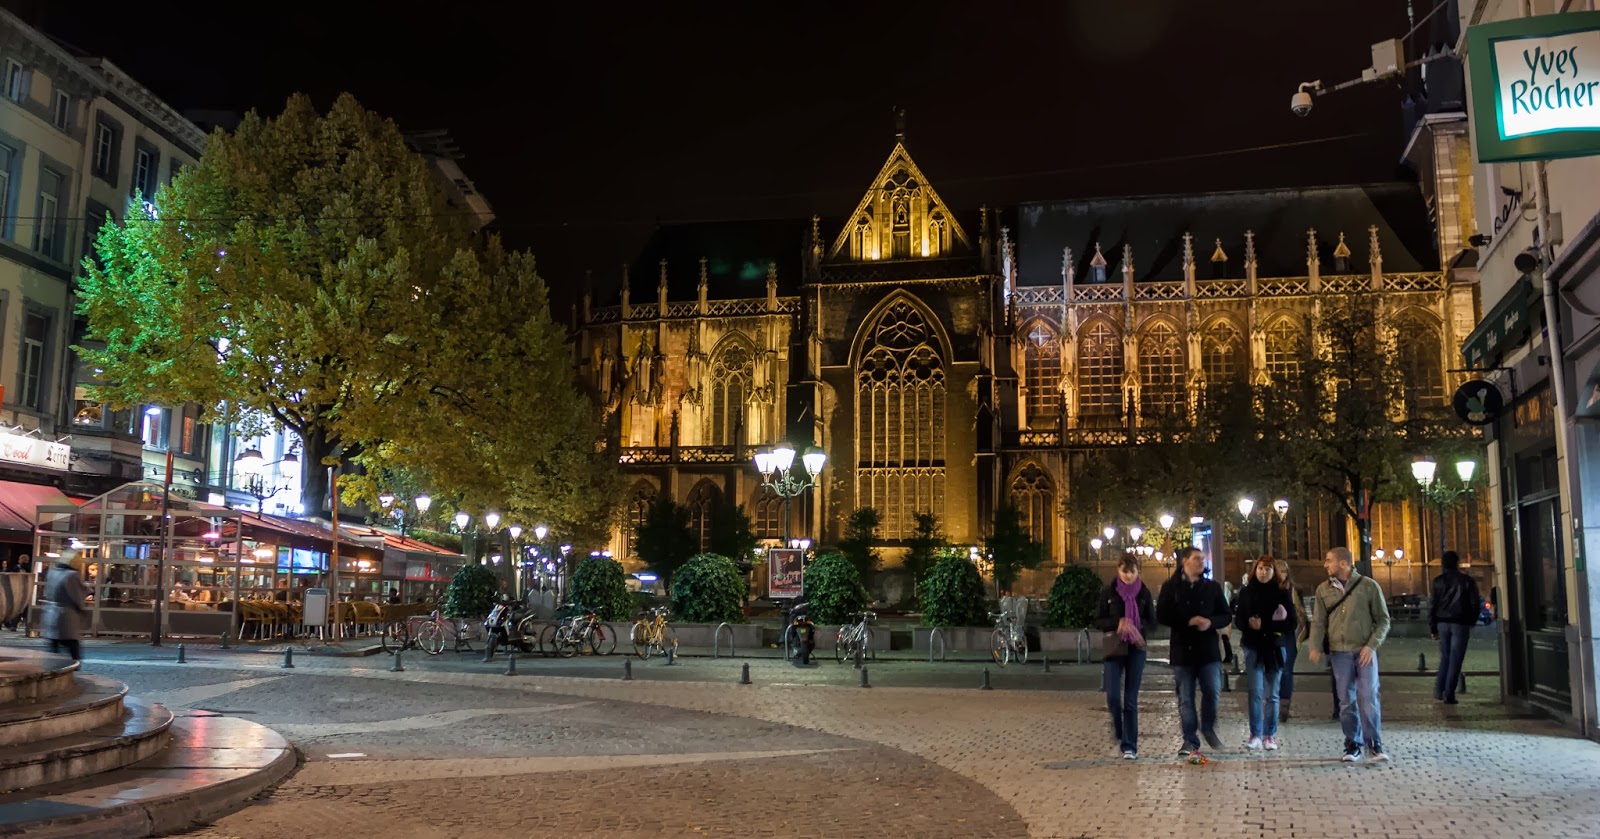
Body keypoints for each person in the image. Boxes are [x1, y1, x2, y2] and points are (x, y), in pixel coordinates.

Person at [1309, 546, 1392, 763]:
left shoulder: (1368, 586)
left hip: (1364, 651)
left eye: (1329, 560)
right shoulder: (1322, 590)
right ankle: (1352, 744)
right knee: (1346, 700)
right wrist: (1314, 646)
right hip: (1339, 652)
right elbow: (1318, 622)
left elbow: (1383, 620)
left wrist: (1371, 645)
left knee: (1368, 697)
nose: (1325, 565)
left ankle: (1374, 745)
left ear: (1343, 563)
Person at [1157, 546, 1232, 757]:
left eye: (1202, 558)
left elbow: (1225, 615)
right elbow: (1162, 615)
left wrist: (1210, 622)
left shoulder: (1212, 587)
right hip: (1183, 650)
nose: (1201, 562)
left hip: (1208, 650)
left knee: (1212, 691)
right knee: (1185, 698)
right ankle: (1190, 740)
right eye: (1197, 558)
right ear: (1185, 561)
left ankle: (1208, 727)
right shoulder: (1171, 587)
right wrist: (1187, 621)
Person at [1095, 554, 1156, 759]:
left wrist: (1141, 630)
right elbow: (1098, 620)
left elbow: (1152, 621)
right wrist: (1117, 623)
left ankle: (1130, 745)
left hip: (1136, 649)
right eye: (1124, 571)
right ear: (1118, 571)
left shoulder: (1144, 593)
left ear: (1138, 571)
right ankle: (1120, 734)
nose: (1128, 576)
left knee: (1130, 699)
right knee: (1113, 697)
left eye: (1132, 571)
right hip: (1115, 648)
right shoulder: (1109, 592)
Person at [1234, 557, 1297, 750]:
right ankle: (1255, 734)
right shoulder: (1246, 592)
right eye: (1261, 568)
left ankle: (1270, 735)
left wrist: (1269, 625)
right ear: (1255, 570)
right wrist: (1250, 625)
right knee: (1255, 691)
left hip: (1275, 648)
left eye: (1268, 569)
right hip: (1253, 646)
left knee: (1273, 694)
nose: (1263, 572)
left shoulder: (1281, 593)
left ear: (1273, 572)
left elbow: (1291, 622)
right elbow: (1239, 620)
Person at [1429, 550, 1481, 705]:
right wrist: (1471, 621)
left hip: (1442, 623)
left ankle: (1439, 690)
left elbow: (1433, 605)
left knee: (1445, 657)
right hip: (1460, 623)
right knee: (1456, 659)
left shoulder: (1438, 581)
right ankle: (1449, 694)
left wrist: (1433, 628)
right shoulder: (1467, 581)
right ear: (1457, 563)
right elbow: (1474, 604)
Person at [1273, 559, 1309, 721]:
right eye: (1278, 571)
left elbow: (1301, 613)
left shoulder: (1294, 590)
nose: (1282, 574)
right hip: (1273, 634)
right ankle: (1273, 703)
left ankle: (1284, 707)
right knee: (1274, 671)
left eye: (1284, 571)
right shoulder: (1267, 589)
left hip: (1289, 634)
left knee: (1287, 671)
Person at [41, 550, 89, 662]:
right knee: (73, 645)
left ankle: (51, 668)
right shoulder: (72, 575)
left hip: (50, 613)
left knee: (53, 645)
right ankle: (73, 669)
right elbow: (76, 594)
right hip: (66, 615)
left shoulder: (52, 572)